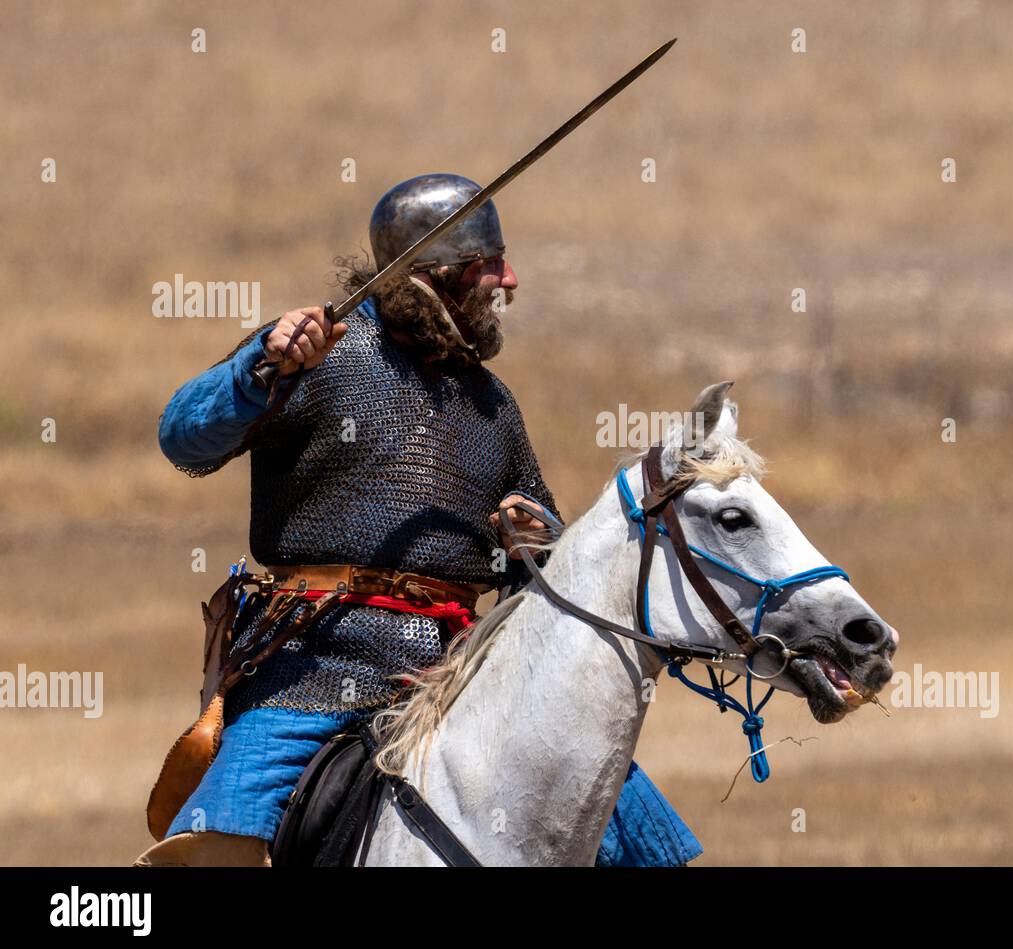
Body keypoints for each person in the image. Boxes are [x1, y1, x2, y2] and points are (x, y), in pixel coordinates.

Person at [135, 173, 701, 867]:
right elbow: (181, 436)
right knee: (218, 852)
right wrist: (259, 371)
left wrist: (535, 540)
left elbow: (539, 579)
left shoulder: (492, 403)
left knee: (639, 838)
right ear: (441, 275)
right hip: (312, 671)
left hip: (460, 674)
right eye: (489, 265)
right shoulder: (320, 354)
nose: (509, 279)